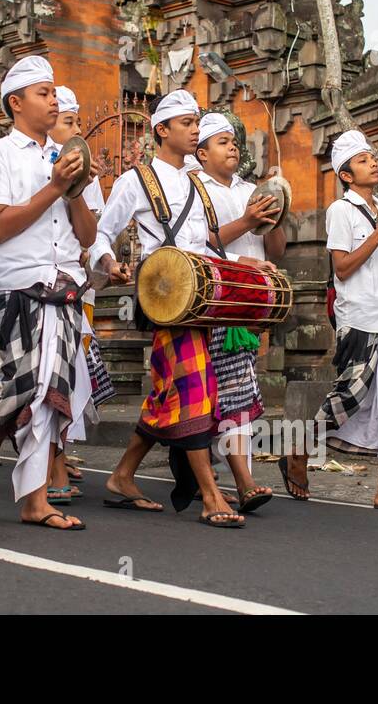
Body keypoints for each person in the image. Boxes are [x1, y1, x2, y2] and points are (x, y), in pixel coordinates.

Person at [92, 90, 262, 528]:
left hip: (201, 296)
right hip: (165, 297)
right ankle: (209, 494)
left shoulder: (195, 182)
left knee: (171, 391)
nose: (194, 130)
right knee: (194, 389)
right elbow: (101, 233)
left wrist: (241, 263)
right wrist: (108, 262)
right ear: (161, 131)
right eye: (186, 123)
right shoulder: (137, 179)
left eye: (196, 122)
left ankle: (123, 476)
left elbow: (205, 244)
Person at [0, 55, 97, 531]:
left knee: (49, 392)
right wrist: (54, 186)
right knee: (17, 387)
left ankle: (35, 500)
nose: (55, 100)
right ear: (15, 103)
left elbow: (86, 237)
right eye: (44, 93)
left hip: (64, 288)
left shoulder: (64, 157)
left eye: (55, 92)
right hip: (15, 288)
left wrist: (75, 186)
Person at [280, 129, 378, 511]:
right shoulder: (341, 211)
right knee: (350, 393)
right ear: (346, 175)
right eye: (364, 160)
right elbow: (343, 269)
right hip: (360, 318)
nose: (374, 163)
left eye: (372, 158)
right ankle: (297, 451)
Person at [195, 111, 285, 513]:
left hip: (249, 306)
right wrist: (246, 221)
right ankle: (237, 479)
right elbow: (196, 244)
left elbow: (275, 252)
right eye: (221, 141)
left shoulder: (252, 189)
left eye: (234, 140)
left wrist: (274, 217)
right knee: (225, 389)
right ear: (200, 153)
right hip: (214, 301)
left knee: (239, 388)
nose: (233, 146)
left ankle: (216, 476)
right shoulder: (195, 189)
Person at [46, 85, 114, 502]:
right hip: (37, 287)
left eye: (77, 123)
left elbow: (94, 233)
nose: (78, 132)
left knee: (71, 373)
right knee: (47, 375)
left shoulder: (85, 172)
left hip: (77, 287)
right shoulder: (21, 162)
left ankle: (60, 451)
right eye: (69, 122)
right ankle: (46, 458)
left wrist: (104, 262)